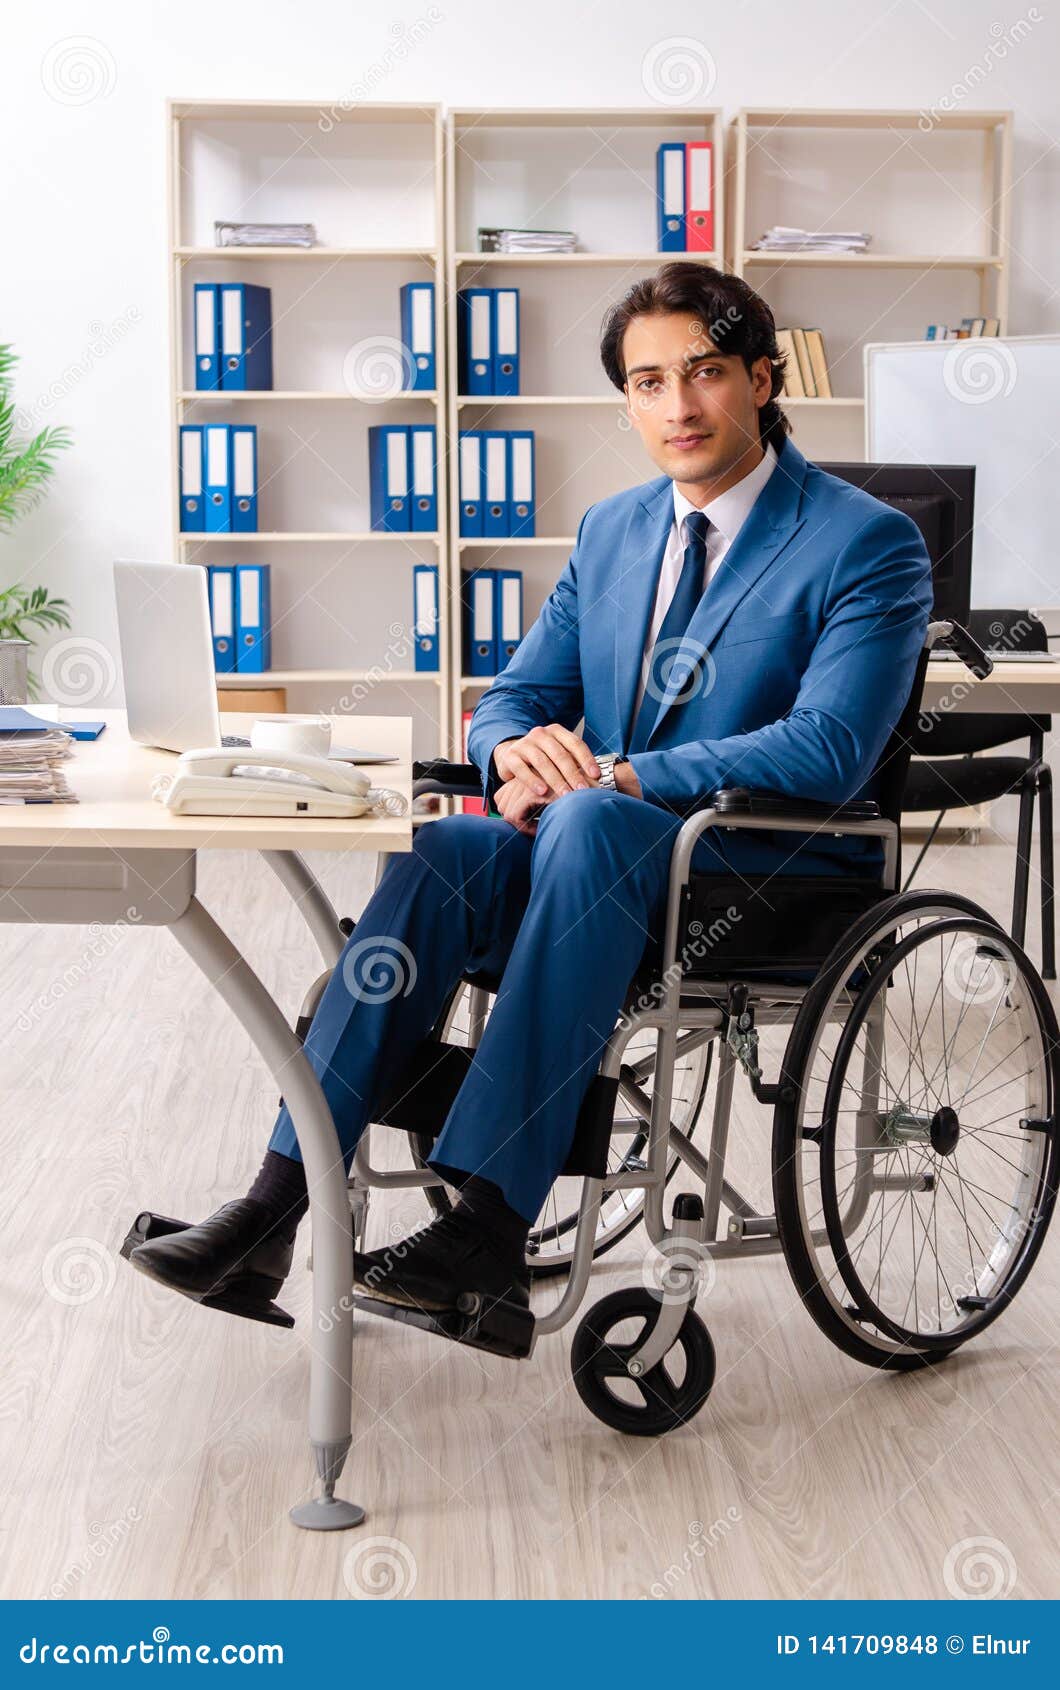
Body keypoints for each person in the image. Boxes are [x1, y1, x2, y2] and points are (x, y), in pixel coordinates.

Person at [126, 260, 932, 1334]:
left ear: (763, 378)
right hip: (598, 861)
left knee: (592, 817)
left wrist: (615, 774)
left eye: (704, 373)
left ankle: (490, 1231)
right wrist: (518, 754)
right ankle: (273, 1208)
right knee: (446, 849)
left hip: (760, 870)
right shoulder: (613, 530)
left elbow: (828, 747)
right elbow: (510, 699)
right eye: (647, 383)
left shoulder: (865, 541)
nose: (678, 406)